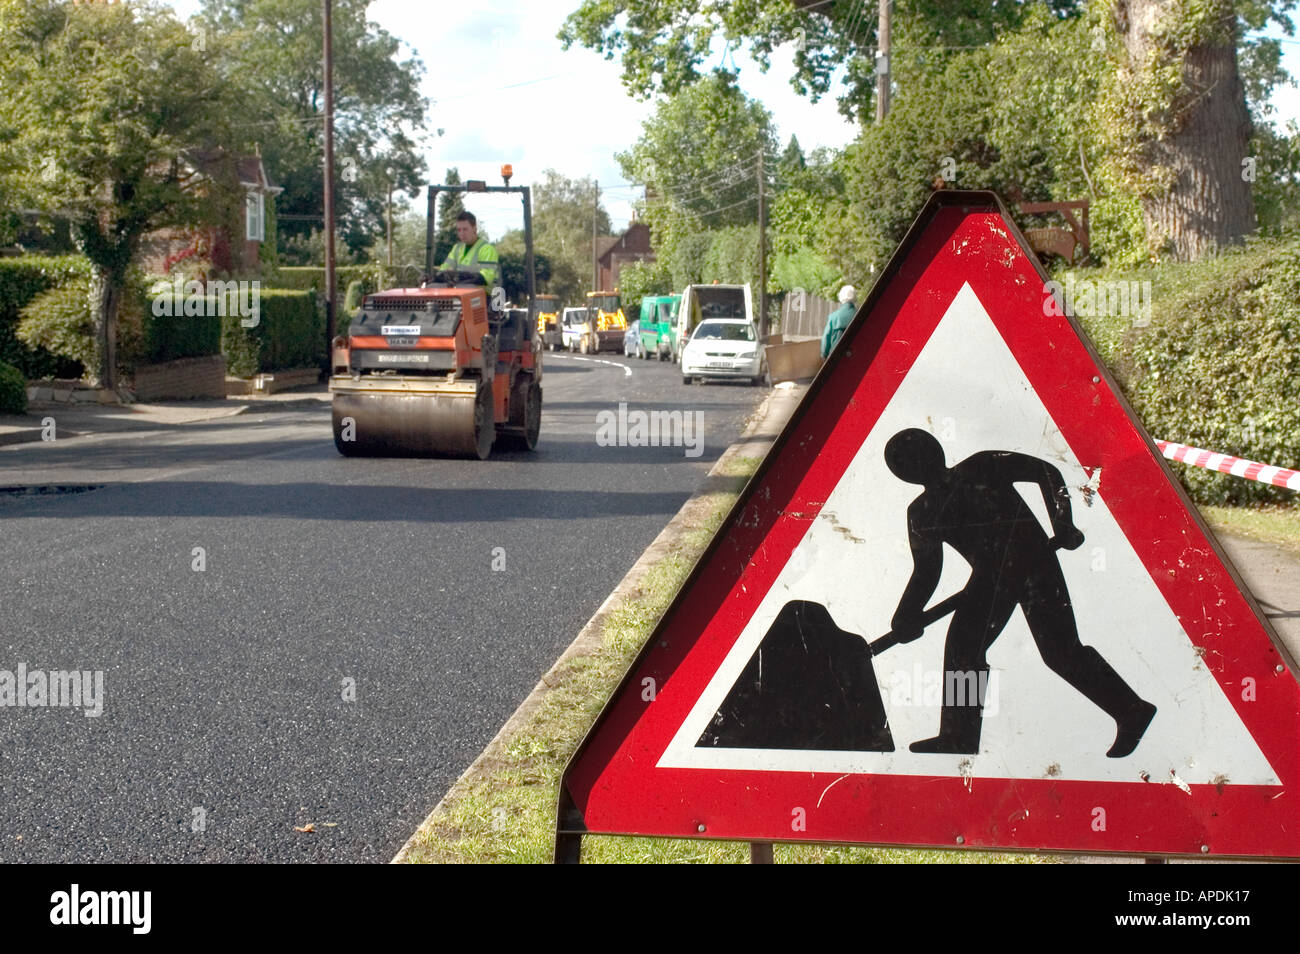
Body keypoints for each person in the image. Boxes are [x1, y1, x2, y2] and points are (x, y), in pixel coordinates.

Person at [884, 428, 1157, 758]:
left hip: (1033, 562)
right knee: (962, 652)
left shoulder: (982, 466)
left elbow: (1046, 471)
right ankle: (959, 735)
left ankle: (1132, 711)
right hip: (989, 581)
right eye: (907, 463)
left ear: (935, 451)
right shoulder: (922, 512)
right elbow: (927, 571)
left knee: (1060, 651)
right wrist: (906, 614)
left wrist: (1062, 522)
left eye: (919, 455)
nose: (917, 465)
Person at [441, 211, 500, 287]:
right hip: (460, 294)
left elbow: (486, 278)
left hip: (484, 296)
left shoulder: (487, 249)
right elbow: (444, 270)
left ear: (475, 229)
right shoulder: (457, 249)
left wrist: (461, 276)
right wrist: (434, 277)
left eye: (465, 229)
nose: (462, 233)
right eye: (459, 230)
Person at [820, 284, 856, 358]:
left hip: (836, 360)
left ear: (841, 298)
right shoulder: (860, 314)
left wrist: (825, 355)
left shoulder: (833, 317)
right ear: (855, 297)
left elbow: (825, 341)